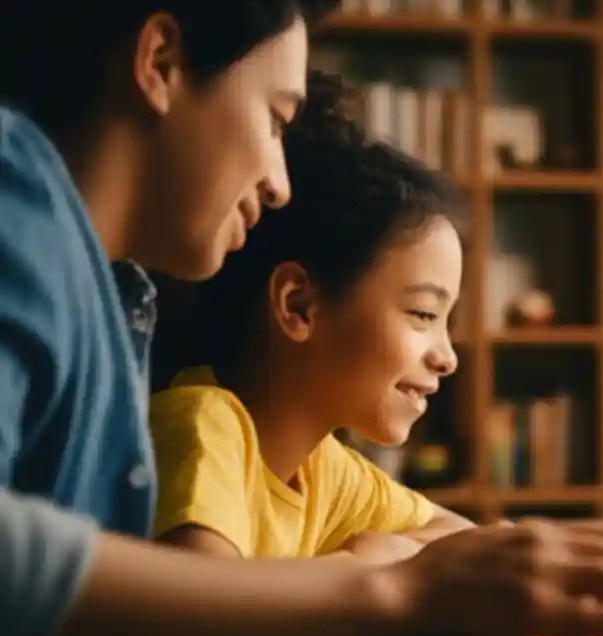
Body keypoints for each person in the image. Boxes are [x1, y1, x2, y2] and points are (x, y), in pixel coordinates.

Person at [0, 0, 603, 636]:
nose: (279, 182)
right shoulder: (18, 201)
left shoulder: (113, 293)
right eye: (276, 118)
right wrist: (394, 590)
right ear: (160, 61)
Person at [149, 70, 475, 564]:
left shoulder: (323, 469)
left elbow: (479, 544)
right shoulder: (202, 425)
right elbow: (209, 622)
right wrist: (366, 566)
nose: (447, 357)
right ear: (298, 305)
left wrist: (391, 549)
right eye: (423, 313)